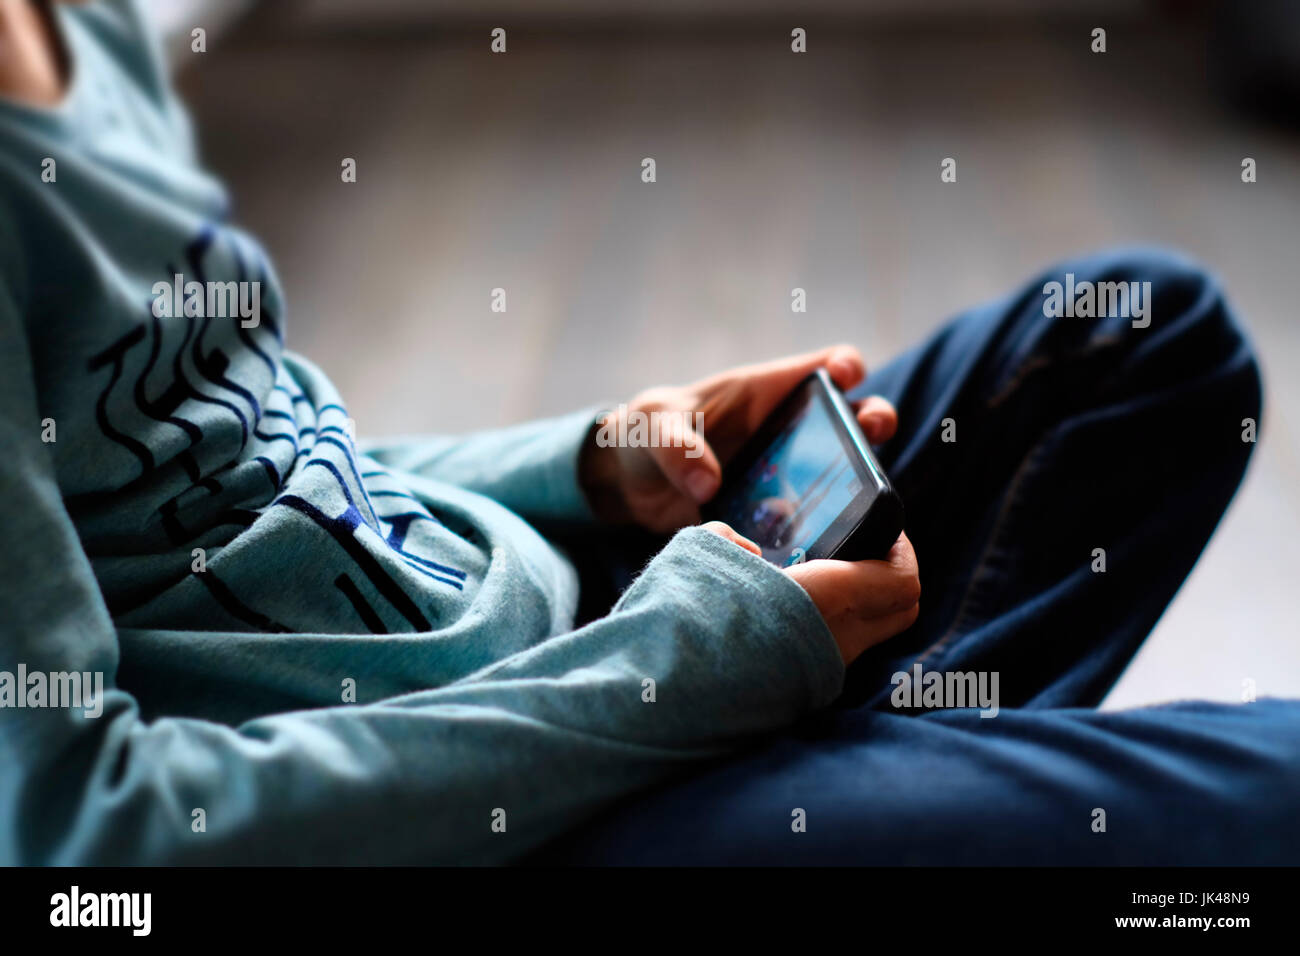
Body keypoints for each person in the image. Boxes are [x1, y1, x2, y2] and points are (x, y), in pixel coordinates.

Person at [0, 1, 1291, 866]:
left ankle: (842, 778)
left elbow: (246, 456)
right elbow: (82, 839)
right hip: (451, 805)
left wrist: (593, 473)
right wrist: (675, 677)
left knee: (1147, 337)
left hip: (568, 645)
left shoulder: (78, 22)